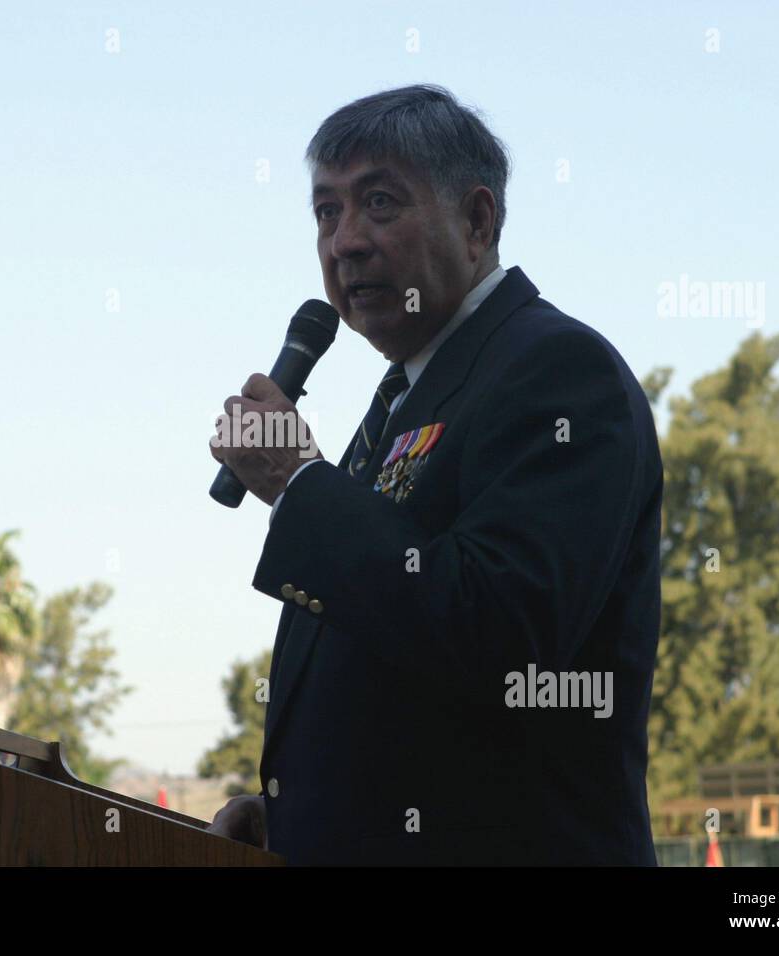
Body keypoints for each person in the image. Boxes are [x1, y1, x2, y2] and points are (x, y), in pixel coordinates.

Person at [208, 85, 662, 865]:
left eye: (378, 202)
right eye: (326, 212)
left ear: (477, 221)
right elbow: (401, 660)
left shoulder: (556, 371)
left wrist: (297, 480)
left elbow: (502, 635)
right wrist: (303, 812)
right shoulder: (405, 399)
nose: (345, 241)